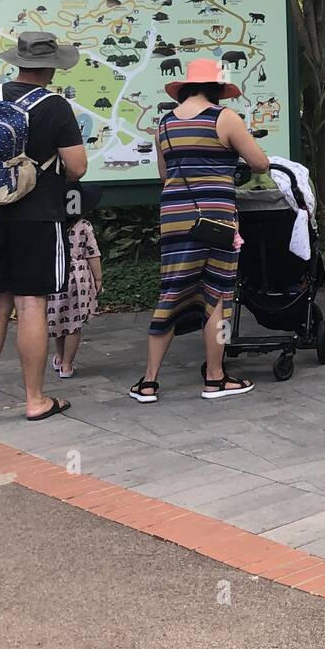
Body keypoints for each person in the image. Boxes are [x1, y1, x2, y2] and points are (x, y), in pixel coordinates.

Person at [0, 32, 88, 423]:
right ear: (51, 66)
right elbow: (77, 168)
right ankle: (35, 400)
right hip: (37, 216)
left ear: (18, 62)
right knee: (31, 303)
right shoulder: (54, 106)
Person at [131, 58, 269, 403]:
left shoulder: (164, 124)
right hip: (216, 218)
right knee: (217, 292)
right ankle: (215, 377)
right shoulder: (224, 118)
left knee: (172, 289)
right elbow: (260, 163)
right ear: (219, 89)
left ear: (186, 87)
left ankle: (148, 382)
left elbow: (164, 174)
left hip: (175, 215)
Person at [48, 182, 104, 378]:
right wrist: (98, 279)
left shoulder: (51, 224)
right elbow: (93, 253)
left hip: (55, 275)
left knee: (60, 318)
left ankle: (59, 356)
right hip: (79, 277)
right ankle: (67, 365)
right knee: (75, 323)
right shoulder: (84, 226)